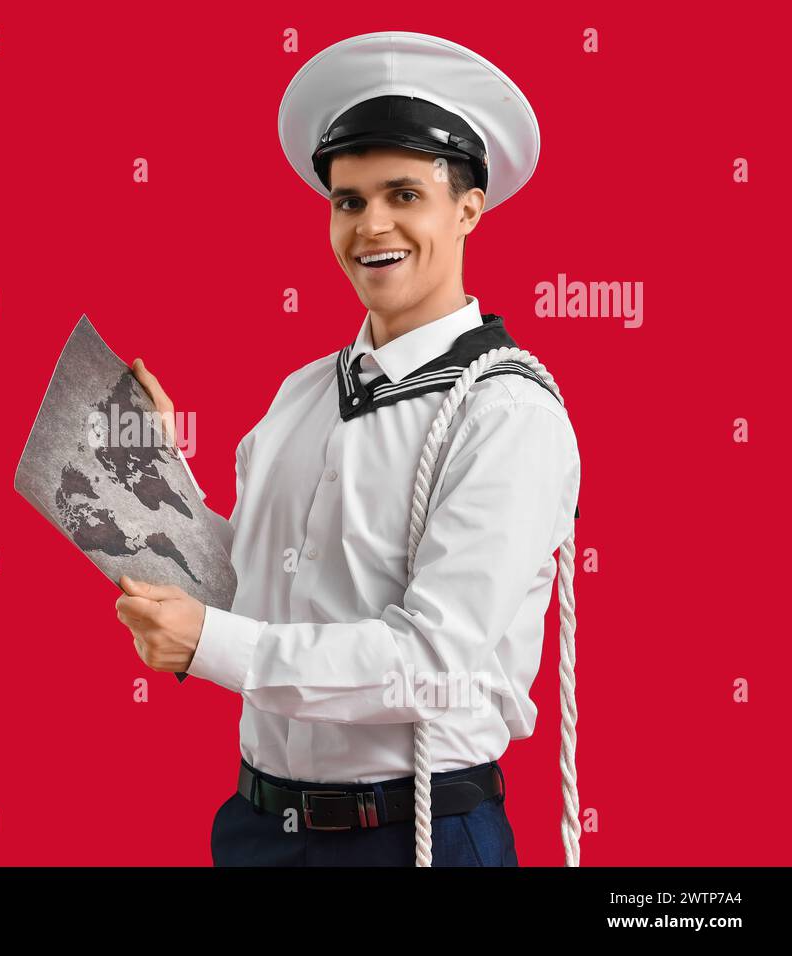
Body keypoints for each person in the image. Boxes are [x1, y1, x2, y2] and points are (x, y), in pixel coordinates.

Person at [114, 32, 581, 866]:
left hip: (415, 835)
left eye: (405, 194)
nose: (373, 226)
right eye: (349, 200)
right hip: (257, 826)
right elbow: (255, 580)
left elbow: (430, 658)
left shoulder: (508, 414)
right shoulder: (301, 395)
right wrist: (151, 481)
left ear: (467, 209)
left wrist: (210, 646)